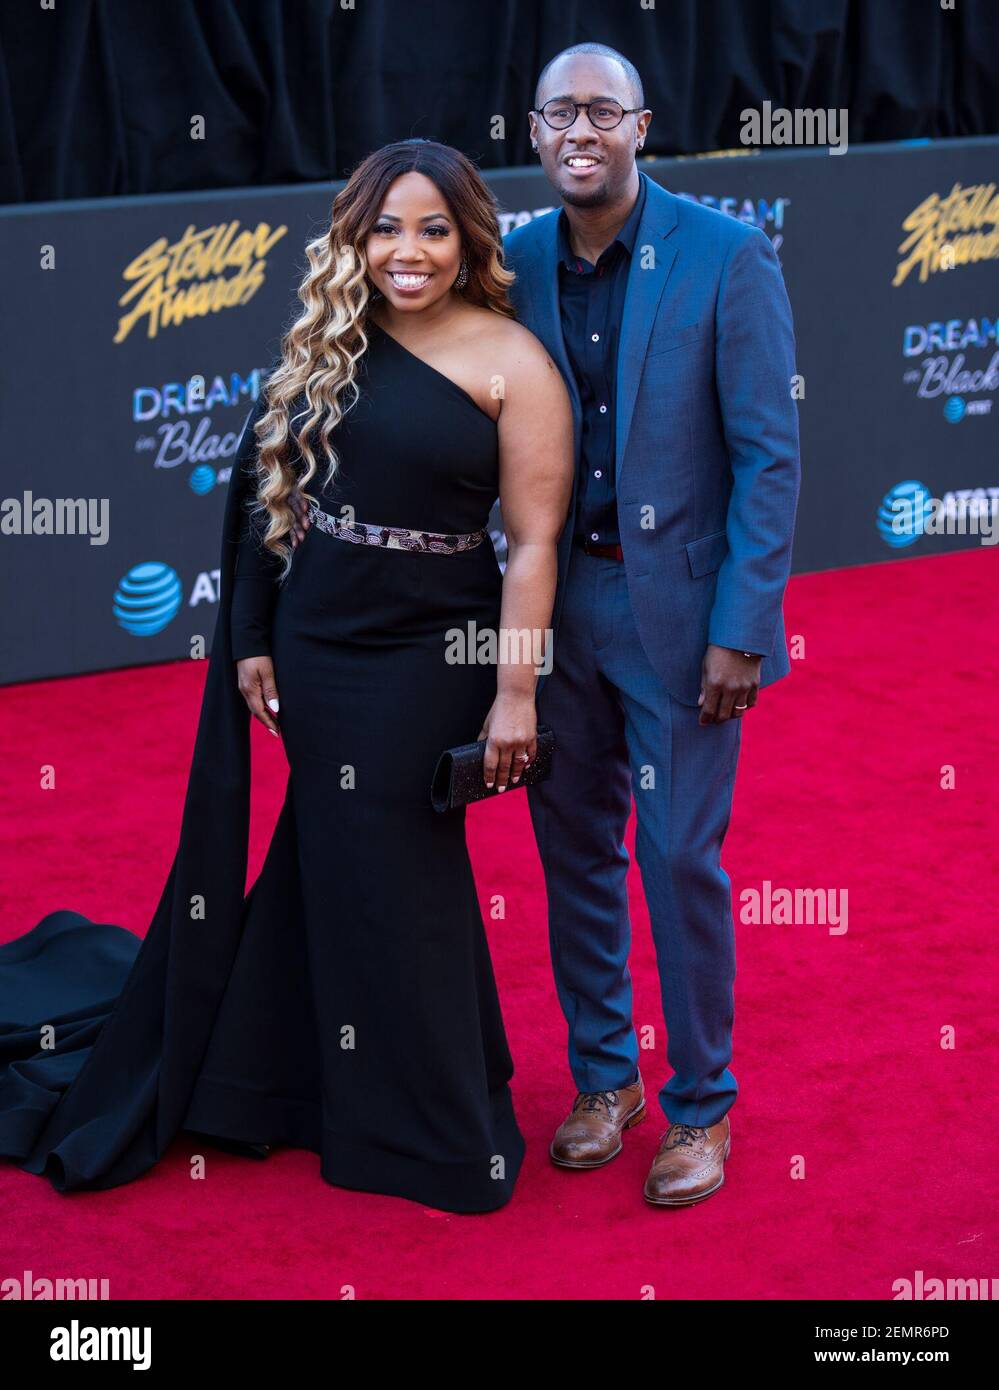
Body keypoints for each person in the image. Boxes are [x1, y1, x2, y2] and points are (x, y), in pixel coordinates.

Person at [0, 139, 573, 1214]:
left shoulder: (513, 363)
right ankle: (278, 1080)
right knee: (330, 855)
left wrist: (514, 690)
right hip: (317, 644)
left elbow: (534, 546)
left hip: (430, 654)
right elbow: (272, 501)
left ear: (469, 242)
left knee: (397, 867)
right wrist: (252, 634)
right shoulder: (329, 345)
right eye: (386, 227)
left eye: (433, 228)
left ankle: (432, 1124)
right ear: (354, 236)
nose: (408, 250)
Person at [500, 44, 801, 1206]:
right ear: (532, 132)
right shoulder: (512, 263)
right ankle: (602, 1077)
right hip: (547, 603)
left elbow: (769, 459)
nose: (581, 130)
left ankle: (703, 1107)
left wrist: (744, 628)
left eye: (602, 111)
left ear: (643, 126)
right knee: (570, 850)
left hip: (674, 609)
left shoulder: (728, 255)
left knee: (677, 860)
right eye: (558, 112)